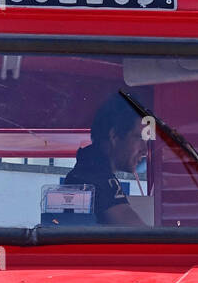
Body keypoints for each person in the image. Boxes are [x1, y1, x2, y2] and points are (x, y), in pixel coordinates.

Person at [60, 93, 148, 227]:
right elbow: (138, 232)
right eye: (140, 138)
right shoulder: (92, 176)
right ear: (115, 135)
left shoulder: (91, 171)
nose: (145, 150)